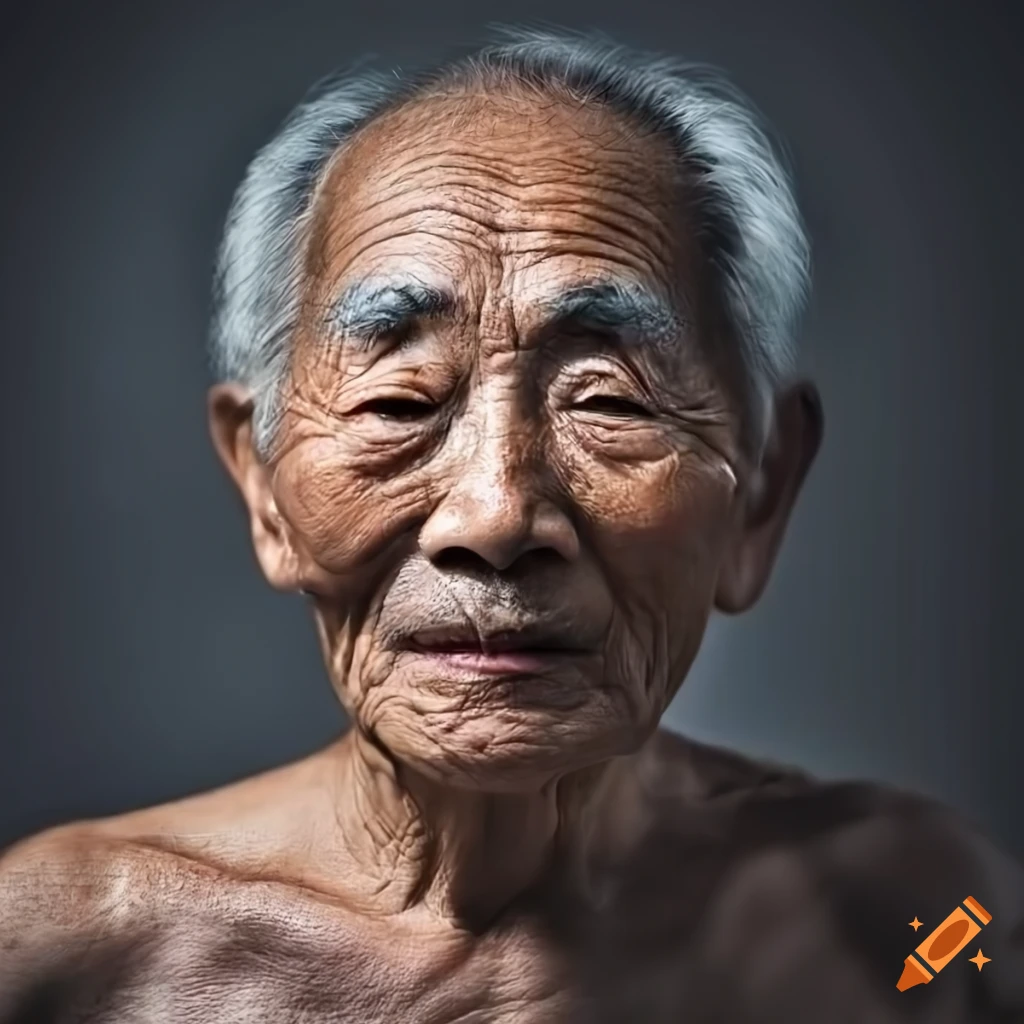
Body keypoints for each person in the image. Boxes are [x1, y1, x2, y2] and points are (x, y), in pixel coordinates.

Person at [1, 26, 1021, 1024]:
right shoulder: (60, 963)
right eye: (400, 402)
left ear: (760, 490)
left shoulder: (931, 927)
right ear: (264, 486)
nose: (494, 515)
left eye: (607, 401)